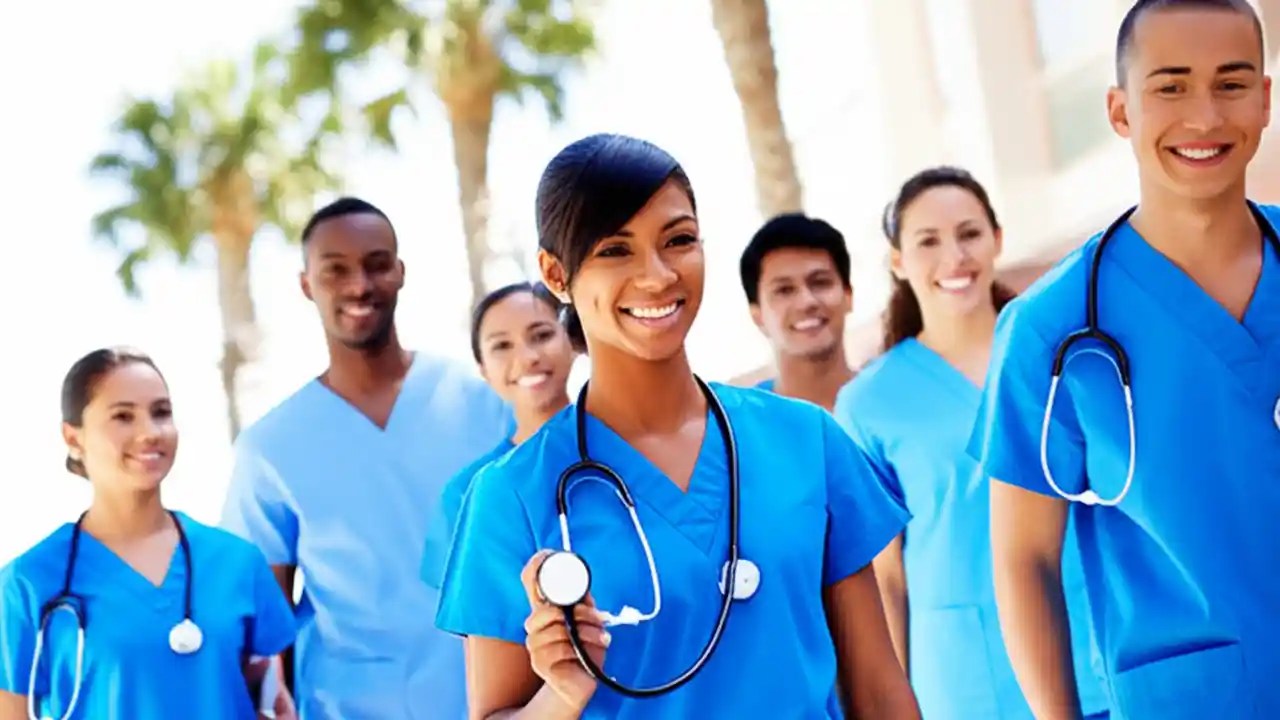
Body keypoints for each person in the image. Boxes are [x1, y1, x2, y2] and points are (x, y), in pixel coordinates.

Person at [434, 133, 921, 719]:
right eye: (616, 250)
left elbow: (879, 690)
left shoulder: (806, 442)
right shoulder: (510, 495)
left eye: (679, 240)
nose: (658, 274)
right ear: (556, 274)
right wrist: (561, 693)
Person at [968, 1, 1278, 718]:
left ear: (1264, 100)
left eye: (1231, 84)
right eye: (1170, 86)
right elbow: (1025, 560)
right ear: (1119, 110)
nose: (1204, 116)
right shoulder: (1053, 329)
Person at [219, 197, 513, 720]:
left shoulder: (485, 404)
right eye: (336, 270)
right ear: (307, 283)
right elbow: (264, 627)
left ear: (400, 273)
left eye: (377, 264)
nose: (359, 285)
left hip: (489, 703)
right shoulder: (270, 448)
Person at [832, 167, 1110, 720]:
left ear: (997, 239)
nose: (954, 256)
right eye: (928, 242)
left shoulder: (1062, 354)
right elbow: (885, 581)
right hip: (964, 685)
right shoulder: (867, 404)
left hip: (1092, 653)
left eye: (969, 234)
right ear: (897, 261)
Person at [0, 347, 296, 720]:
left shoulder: (237, 563)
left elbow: (272, 697)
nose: (150, 433)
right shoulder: (29, 582)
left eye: (161, 413)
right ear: (73, 437)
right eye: (123, 416)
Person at [420, 281, 576, 590]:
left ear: (572, 341)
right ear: (483, 370)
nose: (527, 357)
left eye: (542, 335)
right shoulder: (466, 493)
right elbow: (472, 626)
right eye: (502, 346)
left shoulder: (628, 449)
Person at [739, 213, 856, 410]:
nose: (806, 302)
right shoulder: (742, 428)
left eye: (820, 282)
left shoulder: (891, 400)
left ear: (848, 296)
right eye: (784, 290)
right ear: (757, 315)